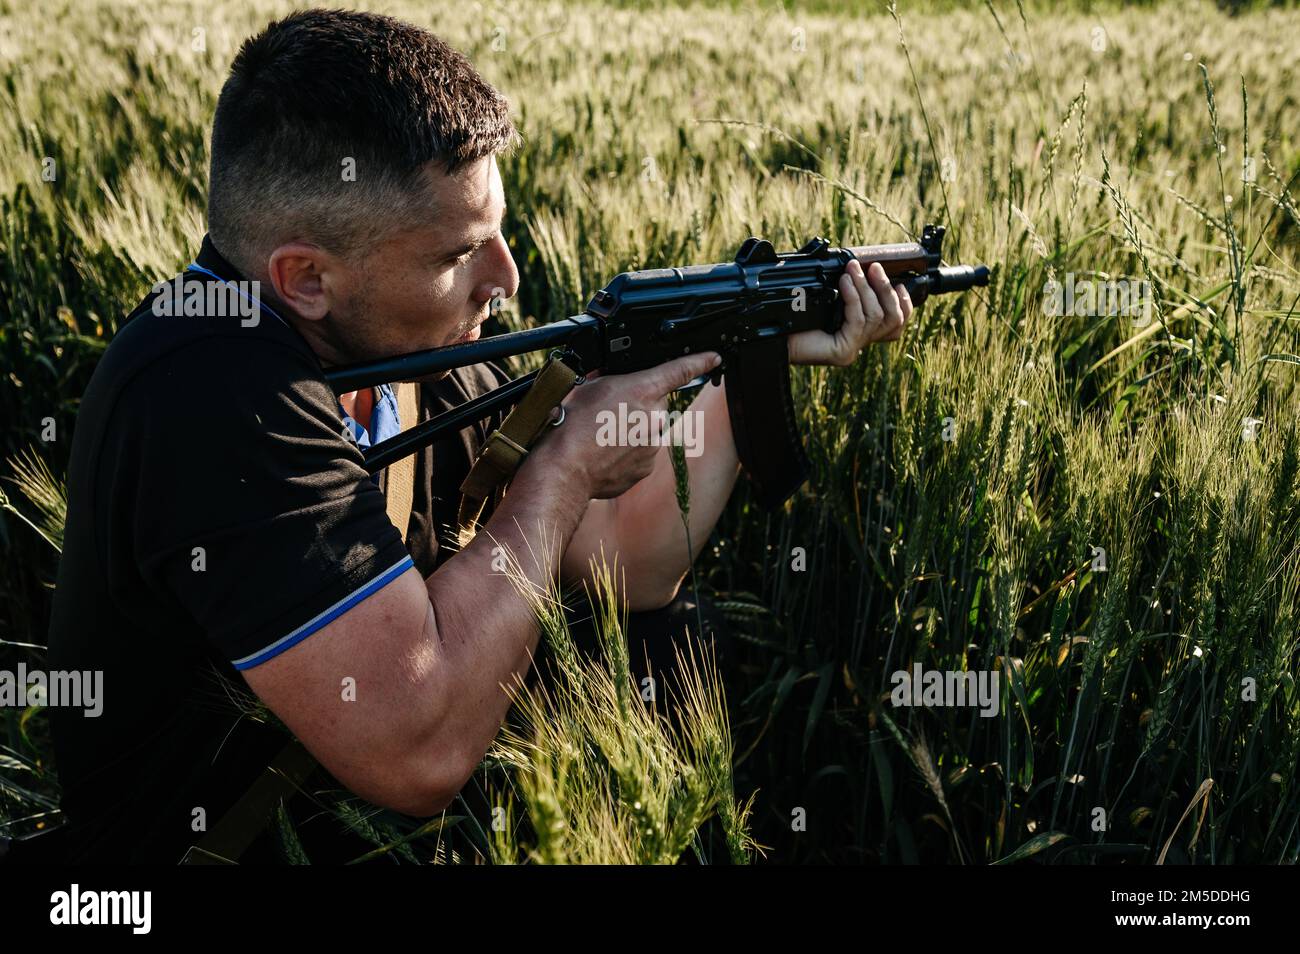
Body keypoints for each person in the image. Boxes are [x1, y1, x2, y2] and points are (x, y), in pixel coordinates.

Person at [45, 8, 911, 863]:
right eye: (459, 254)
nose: (507, 276)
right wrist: (563, 469)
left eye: (499, 229)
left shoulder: (416, 351)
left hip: (371, 830)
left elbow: (622, 567)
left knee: (664, 640)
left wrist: (748, 348)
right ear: (306, 278)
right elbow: (415, 754)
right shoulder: (208, 394)